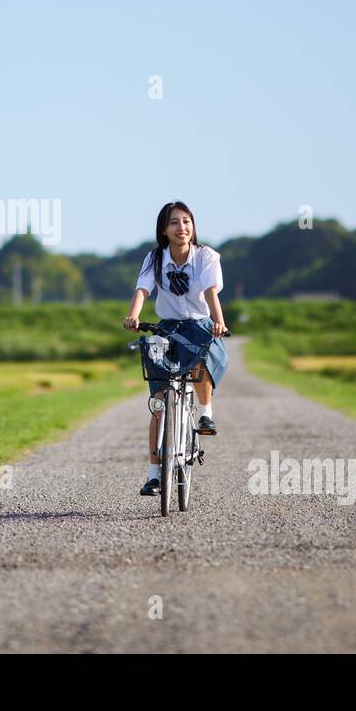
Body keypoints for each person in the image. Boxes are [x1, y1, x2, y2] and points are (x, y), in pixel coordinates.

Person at [123, 201, 229, 497]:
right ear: (163, 230)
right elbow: (142, 290)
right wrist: (133, 316)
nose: (181, 228)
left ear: (192, 226)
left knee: (204, 356)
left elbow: (210, 292)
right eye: (174, 223)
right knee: (158, 402)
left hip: (198, 323)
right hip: (167, 326)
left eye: (186, 221)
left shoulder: (205, 256)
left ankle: (206, 413)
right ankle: (155, 474)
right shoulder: (154, 258)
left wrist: (219, 323)